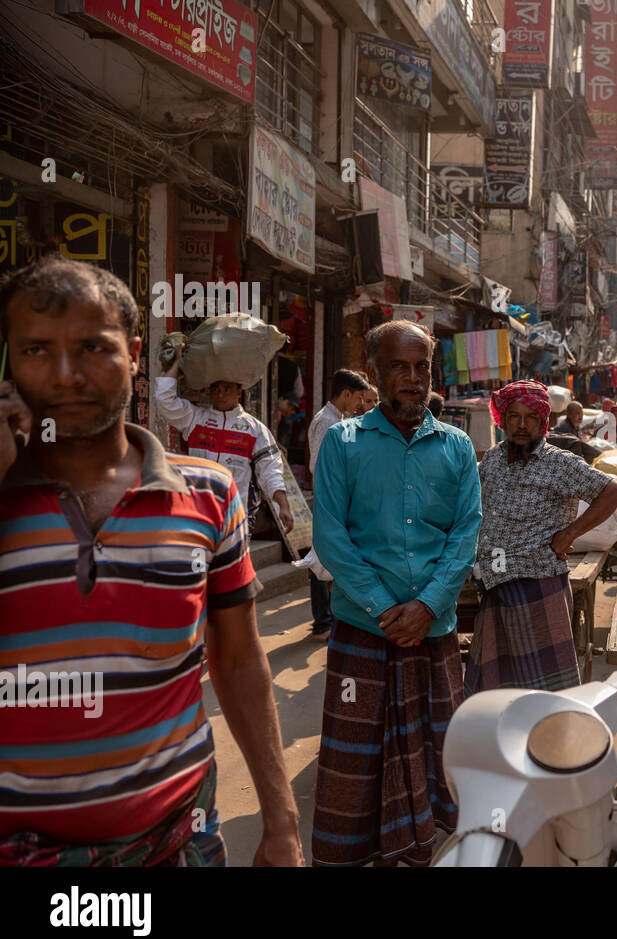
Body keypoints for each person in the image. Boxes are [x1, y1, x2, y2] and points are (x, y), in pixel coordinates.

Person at [0, 256, 302, 866]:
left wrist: (282, 820)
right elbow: (168, 400)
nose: (67, 374)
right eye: (36, 350)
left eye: (93, 347)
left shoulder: (212, 494)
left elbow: (240, 661)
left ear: (131, 353)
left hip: (177, 840)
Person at [310, 320, 482, 867]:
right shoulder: (342, 441)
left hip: (433, 633)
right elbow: (330, 538)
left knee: (437, 758)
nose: (412, 378)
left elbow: (466, 533)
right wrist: (386, 608)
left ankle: (427, 854)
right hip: (366, 631)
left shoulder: (457, 447)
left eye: (422, 367)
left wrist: (428, 603)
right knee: (355, 769)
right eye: (399, 367)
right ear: (374, 374)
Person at [467, 380, 617, 693]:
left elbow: (613, 491)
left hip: (538, 586)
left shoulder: (559, 462)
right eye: (514, 416)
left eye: (531, 418)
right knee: (495, 690)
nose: (522, 425)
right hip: (495, 586)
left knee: (546, 695)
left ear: (544, 423)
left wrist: (570, 533)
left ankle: (547, 741)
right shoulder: (492, 461)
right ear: (502, 420)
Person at [154, 346, 293, 534]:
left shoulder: (255, 430)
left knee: (232, 564)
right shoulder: (195, 419)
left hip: (236, 516)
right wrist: (178, 362)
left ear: (239, 392)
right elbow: (164, 400)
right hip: (198, 512)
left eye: (227, 389)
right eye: (216, 389)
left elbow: (271, 470)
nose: (220, 395)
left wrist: (283, 505)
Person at [305, 368, 369, 639]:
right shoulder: (327, 422)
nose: (360, 405)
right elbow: (321, 464)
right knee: (322, 557)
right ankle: (322, 621)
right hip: (329, 498)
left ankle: (328, 618)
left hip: (336, 496)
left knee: (328, 557)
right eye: (358, 398)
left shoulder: (337, 419)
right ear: (346, 394)